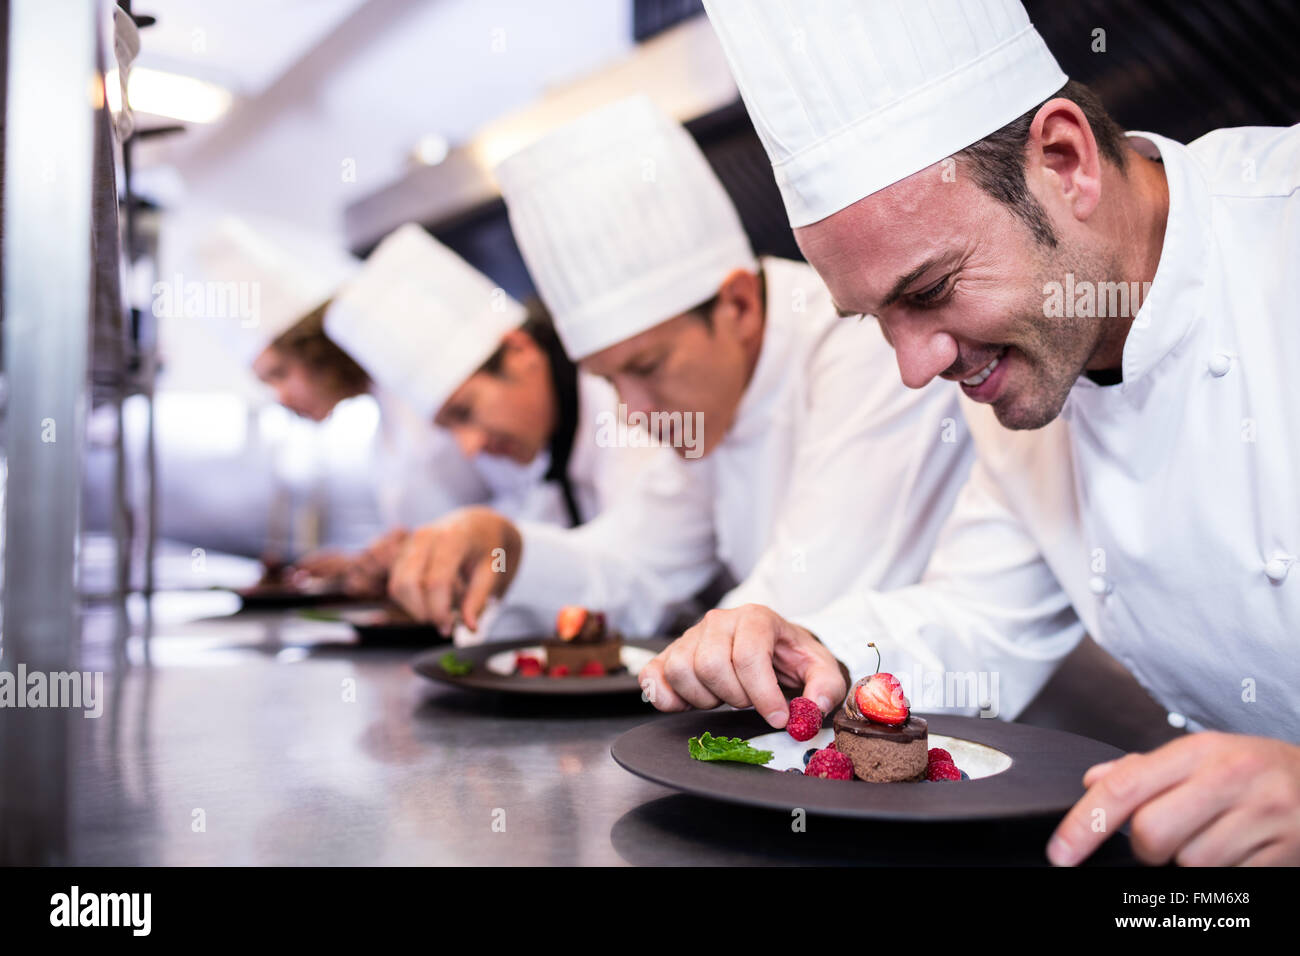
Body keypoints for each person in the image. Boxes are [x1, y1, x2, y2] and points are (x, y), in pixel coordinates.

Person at [642, 0, 1300, 866]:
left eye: (928, 290)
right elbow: (984, 620)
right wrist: (818, 647)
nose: (915, 365)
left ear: (1065, 161)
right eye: (876, 317)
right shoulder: (1028, 370)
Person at [387, 96, 971, 648]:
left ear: (738, 305)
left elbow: (806, 600)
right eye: (609, 381)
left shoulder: (862, 343)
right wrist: (507, 548)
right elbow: (638, 568)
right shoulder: (712, 407)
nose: (634, 415)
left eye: (647, 367)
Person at [326, 223, 679, 634]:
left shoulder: (628, 409)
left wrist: (509, 550)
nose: (470, 446)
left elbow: (648, 583)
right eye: (448, 428)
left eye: (465, 412)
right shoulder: (523, 439)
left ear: (519, 350)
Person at [193, 217, 492, 586]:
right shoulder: (382, 421)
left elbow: (507, 513)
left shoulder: (423, 390)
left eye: (281, 373)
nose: (281, 397)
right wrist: (361, 565)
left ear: (316, 345)